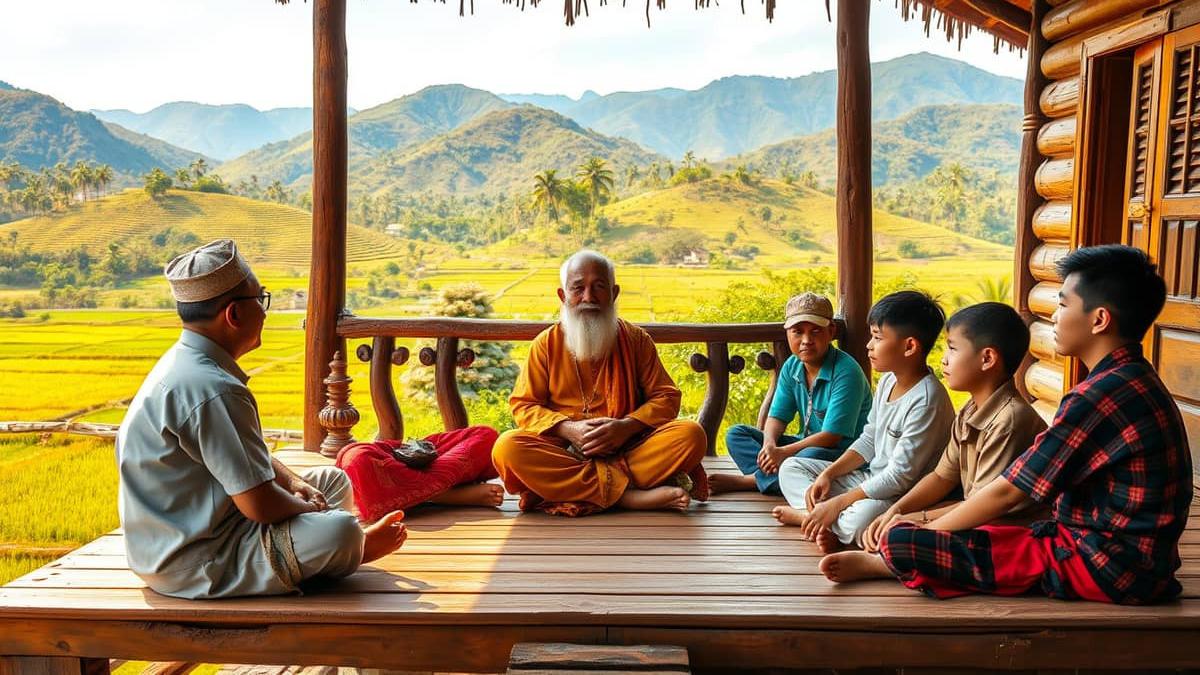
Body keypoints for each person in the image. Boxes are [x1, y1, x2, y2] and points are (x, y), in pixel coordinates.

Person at [822, 246, 1192, 605]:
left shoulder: (1101, 395)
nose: (1055, 316)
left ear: (1099, 320)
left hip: (1106, 565)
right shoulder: (1128, 379)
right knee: (934, 535)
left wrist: (922, 531)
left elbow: (1007, 494)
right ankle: (901, 557)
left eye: (1063, 304)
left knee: (906, 540)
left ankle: (892, 561)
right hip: (1121, 555)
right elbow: (953, 479)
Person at [116, 239, 406, 599]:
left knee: (331, 481)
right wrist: (308, 510)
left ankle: (324, 556)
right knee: (341, 531)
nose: (265, 312)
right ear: (234, 314)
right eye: (261, 299)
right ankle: (350, 552)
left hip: (199, 527)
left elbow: (235, 458)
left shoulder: (185, 366)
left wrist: (293, 481)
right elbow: (261, 505)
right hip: (197, 559)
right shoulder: (214, 389)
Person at [491, 250, 708, 517]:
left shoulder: (636, 340)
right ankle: (628, 497)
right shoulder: (546, 344)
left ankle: (584, 490)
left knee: (691, 435)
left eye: (599, 287)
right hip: (566, 452)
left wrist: (625, 427)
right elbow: (523, 406)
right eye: (578, 288)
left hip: (628, 448)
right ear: (563, 296)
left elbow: (666, 397)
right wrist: (568, 429)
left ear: (614, 293)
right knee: (507, 448)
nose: (589, 298)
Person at [774, 291, 955, 553]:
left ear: (909, 346)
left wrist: (839, 502)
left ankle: (810, 517)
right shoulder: (889, 380)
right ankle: (821, 518)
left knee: (862, 519)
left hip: (901, 496)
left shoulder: (927, 400)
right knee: (791, 468)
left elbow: (900, 477)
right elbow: (869, 438)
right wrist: (829, 473)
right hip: (870, 476)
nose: (869, 345)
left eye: (878, 337)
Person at [860, 302, 1047, 553]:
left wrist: (918, 519)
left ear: (987, 358)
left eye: (952, 348)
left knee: (900, 539)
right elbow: (941, 476)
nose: (943, 359)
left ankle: (879, 566)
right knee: (890, 525)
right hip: (973, 512)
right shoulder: (970, 410)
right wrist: (897, 511)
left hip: (1006, 531)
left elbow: (982, 507)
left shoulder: (1009, 421)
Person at [717, 292, 871, 496]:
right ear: (787, 333)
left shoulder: (846, 371)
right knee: (736, 434)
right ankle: (781, 478)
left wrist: (783, 453)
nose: (806, 340)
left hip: (844, 455)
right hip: (803, 445)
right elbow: (777, 417)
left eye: (815, 331)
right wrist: (770, 445)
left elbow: (831, 437)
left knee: (809, 455)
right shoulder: (792, 366)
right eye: (797, 332)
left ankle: (754, 480)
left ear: (831, 331)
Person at [336, 426, 504, 522]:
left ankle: (431, 492)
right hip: (384, 469)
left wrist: (414, 454)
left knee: (487, 436)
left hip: (410, 458)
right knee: (358, 458)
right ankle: (444, 495)